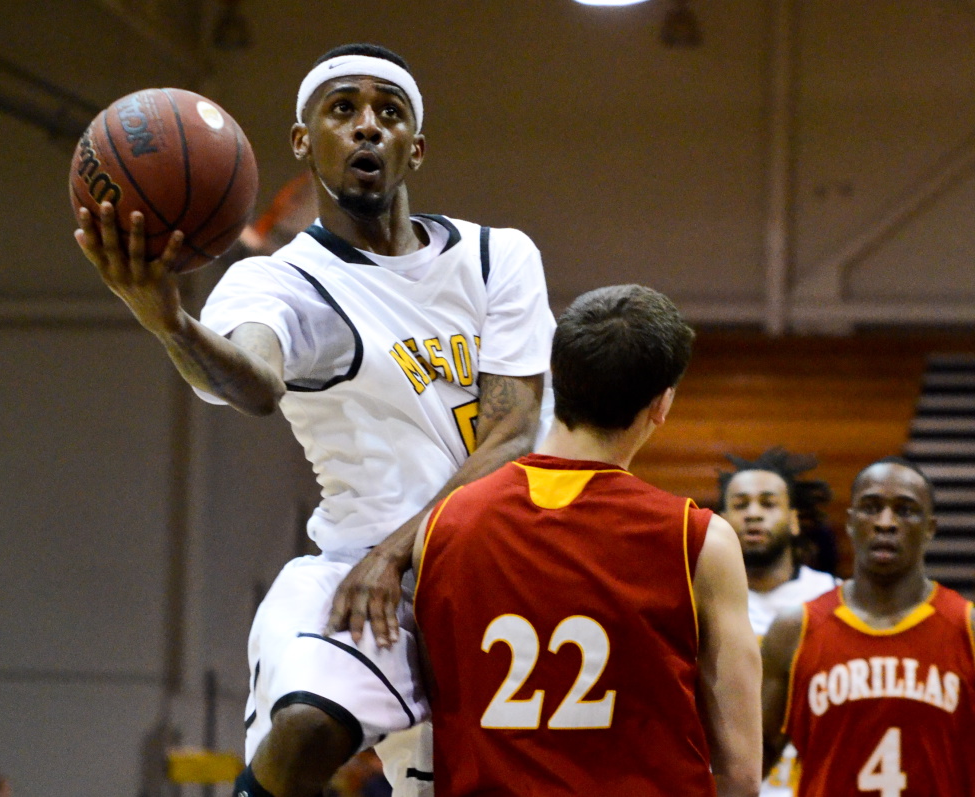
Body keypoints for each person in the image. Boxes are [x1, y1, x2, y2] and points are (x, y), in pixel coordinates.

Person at [74, 43, 555, 797]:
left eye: (388, 113)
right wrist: (170, 322)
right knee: (303, 730)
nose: (367, 126)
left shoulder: (499, 257)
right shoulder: (277, 281)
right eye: (343, 109)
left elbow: (514, 430)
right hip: (360, 573)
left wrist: (401, 549)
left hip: (492, 571)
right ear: (304, 142)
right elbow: (257, 382)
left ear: (414, 148)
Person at [412, 285, 762, 797]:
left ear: (559, 378)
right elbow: (743, 774)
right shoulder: (698, 540)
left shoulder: (444, 526)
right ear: (661, 405)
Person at [761, 457, 975, 796]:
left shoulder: (968, 628)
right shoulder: (795, 630)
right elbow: (753, 758)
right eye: (871, 508)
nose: (885, 523)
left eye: (905, 510)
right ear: (849, 522)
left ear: (930, 527)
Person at [717, 447, 838, 795]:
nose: (754, 514)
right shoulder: (694, 603)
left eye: (768, 504)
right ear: (722, 521)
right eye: (741, 505)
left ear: (795, 519)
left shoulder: (837, 600)